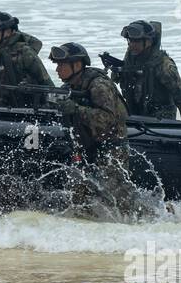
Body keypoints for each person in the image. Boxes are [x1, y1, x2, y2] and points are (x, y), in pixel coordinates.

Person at [49, 42, 135, 213]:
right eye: (57, 65)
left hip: (111, 150)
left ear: (77, 64)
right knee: (79, 200)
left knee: (120, 205)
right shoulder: (69, 88)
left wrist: (75, 109)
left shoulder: (98, 85)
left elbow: (108, 119)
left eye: (62, 65)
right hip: (86, 149)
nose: (58, 69)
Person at [112, 20, 181, 121]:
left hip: (160, 122)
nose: (132, 45)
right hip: (135, 117)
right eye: (130, 40)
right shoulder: (131, 57)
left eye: (136, 41)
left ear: (149, 42)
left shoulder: (164, 66)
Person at [0, 11, 52, 107]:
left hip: (28, 108)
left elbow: (47, 84)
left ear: (7, 32)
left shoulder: (24, 53)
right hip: (2, 105)